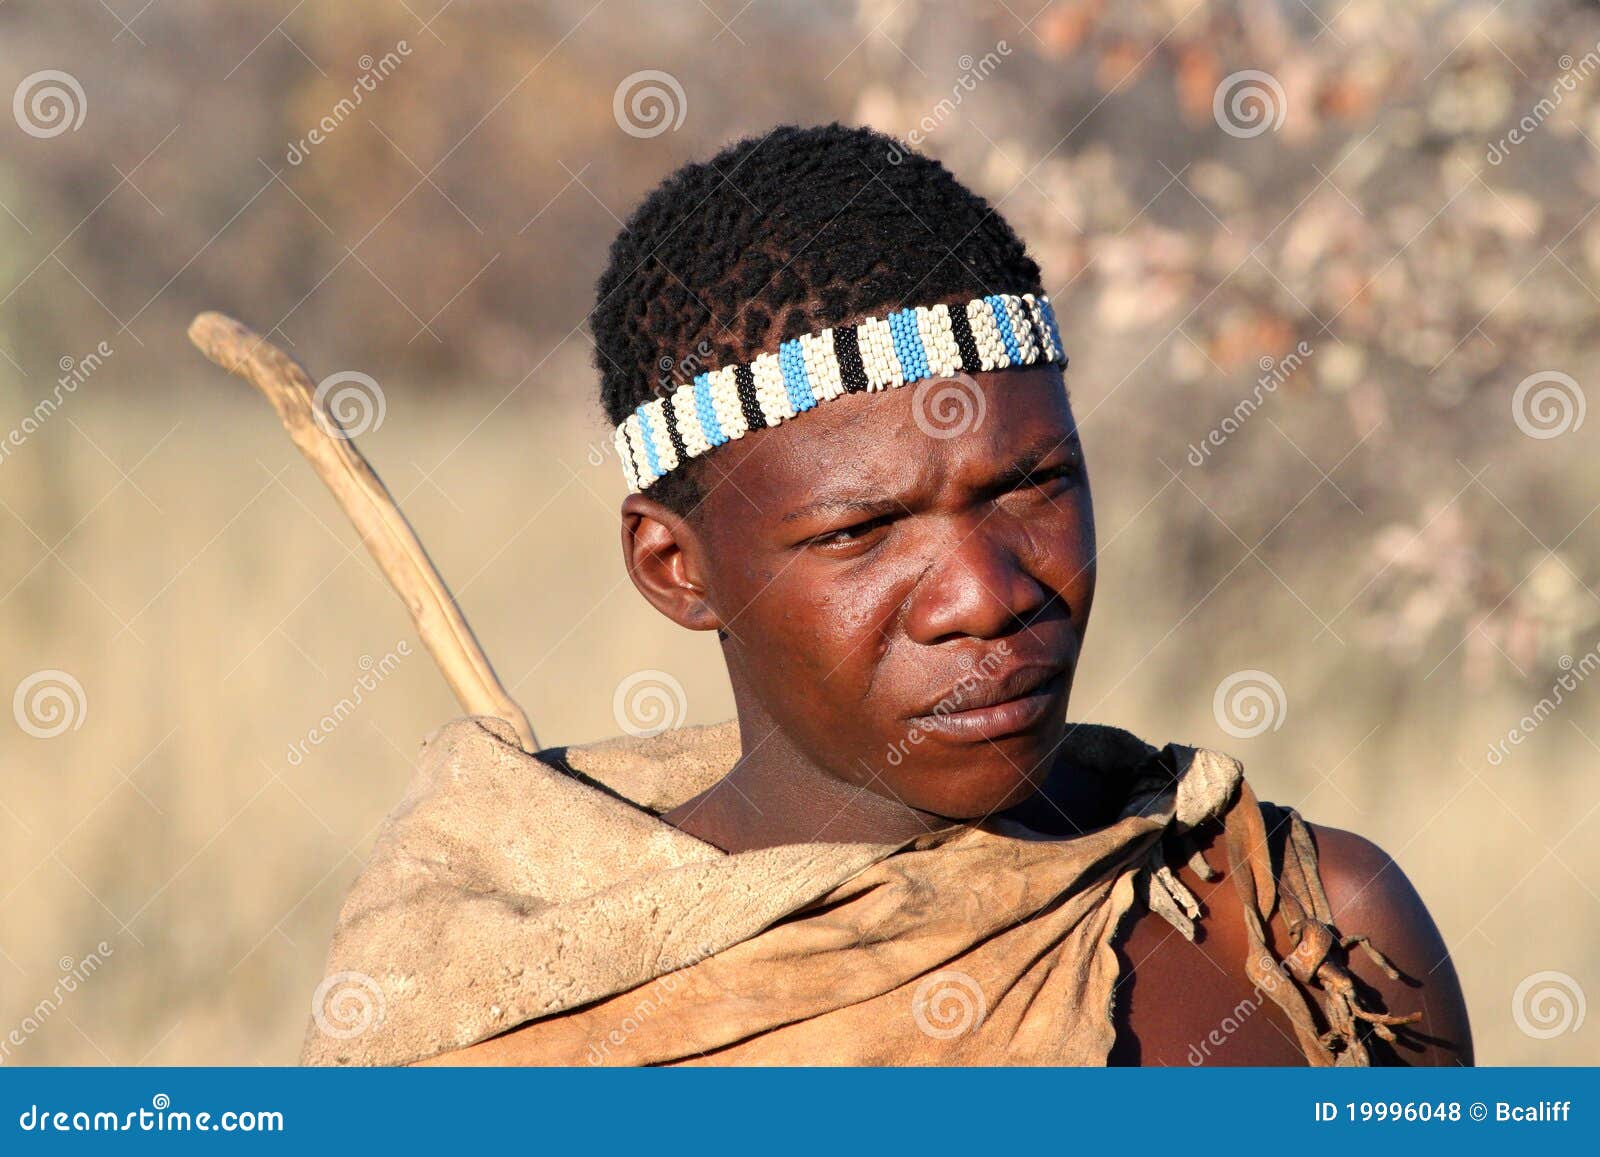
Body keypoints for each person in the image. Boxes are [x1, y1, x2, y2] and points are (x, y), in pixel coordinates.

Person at [300, 122, 1472, 1067]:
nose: (983, 596)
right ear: (674, 567)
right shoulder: (510, 1023)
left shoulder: (1302, 932)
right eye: (859, 531)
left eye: (1031, 485)